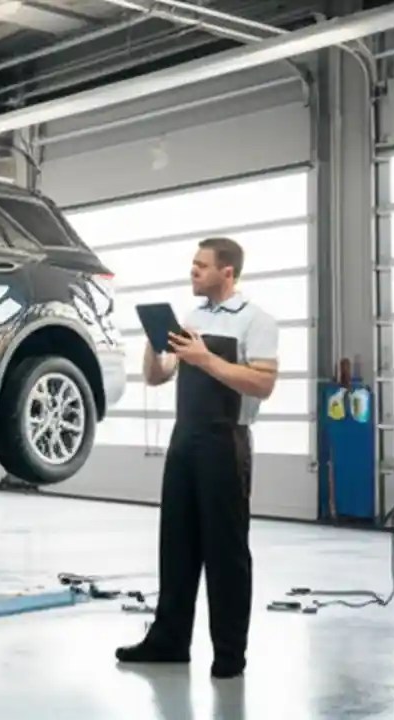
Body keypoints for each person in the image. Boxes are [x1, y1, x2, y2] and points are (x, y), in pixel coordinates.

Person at [115, 236, 279, 680]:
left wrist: (205, 358)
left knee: (226, 549)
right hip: (184, 439)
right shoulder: (192, 318)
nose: (193, 271)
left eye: (201, 265)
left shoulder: (256, 320)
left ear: (227, 272)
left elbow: (263, 384)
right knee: (176, 543)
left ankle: (229, 654)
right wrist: (155, 347)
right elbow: (158, 377)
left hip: (225, 440)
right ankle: (169, 640)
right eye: (192, 264)